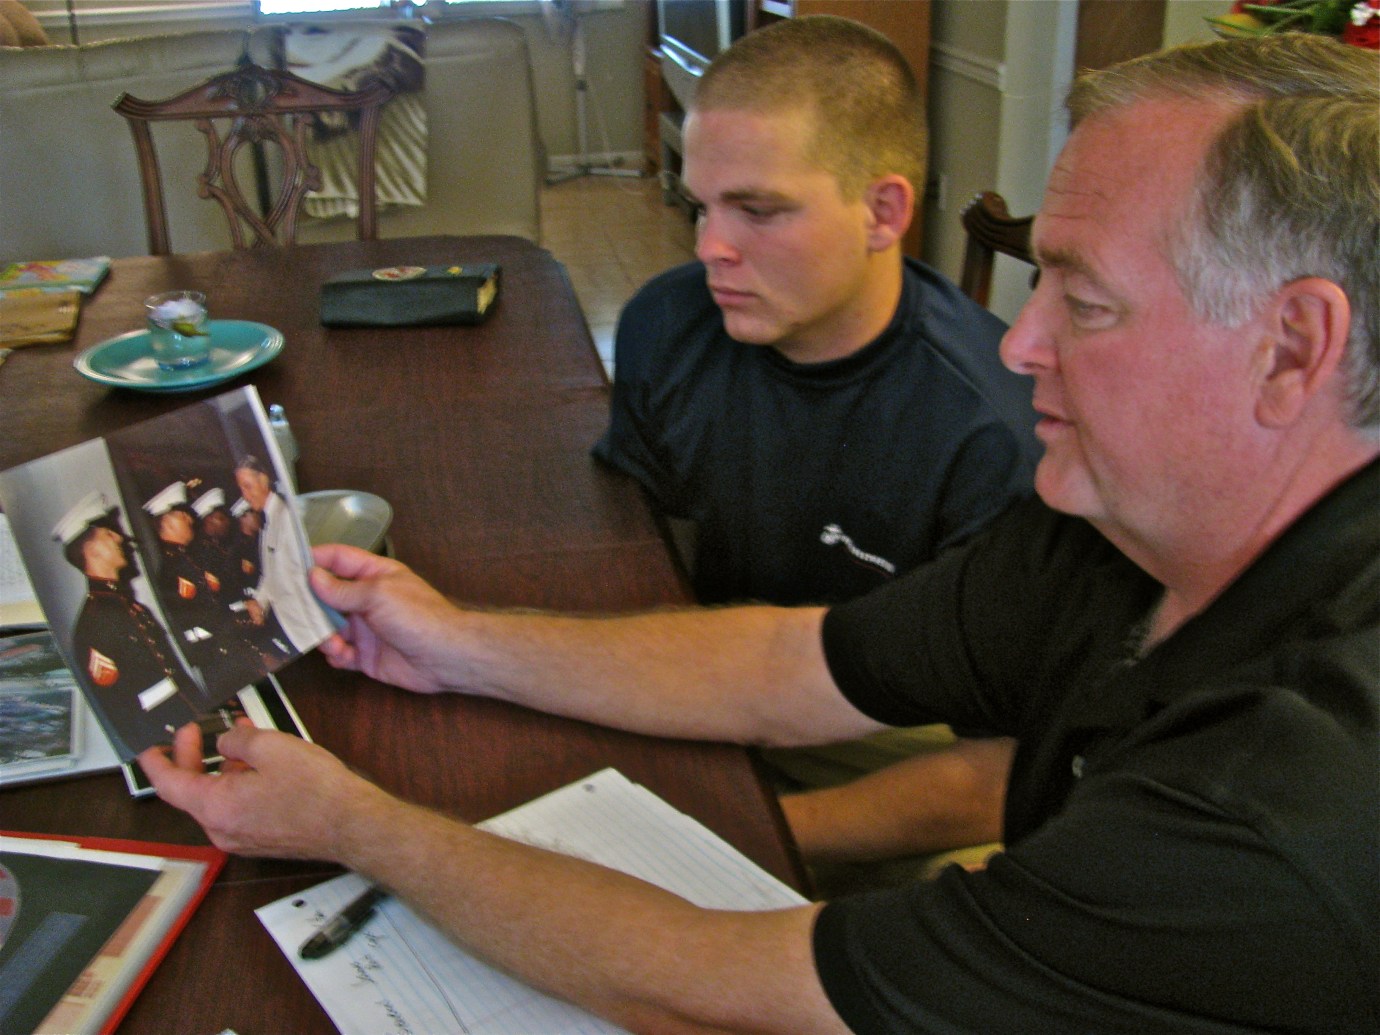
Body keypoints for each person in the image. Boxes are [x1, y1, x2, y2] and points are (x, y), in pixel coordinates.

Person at [142, 30, 1378, 1034]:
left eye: (1086, 300)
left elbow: (713, 985)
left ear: (1291, 349)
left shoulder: (1276, 808)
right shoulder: (1112, 529)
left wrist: (350, 820)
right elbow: (801, 666)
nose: (1021, 341)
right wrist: (453, 640)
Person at [594, 14, 1033, 879]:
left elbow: (998, 774)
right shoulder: (667, 322)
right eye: (702, 204)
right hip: (716, 675)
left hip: (890, 743)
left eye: (758, 210)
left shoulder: (989, 435)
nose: (709, 247)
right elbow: (635, 543)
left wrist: (738, 832)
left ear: (884, 211)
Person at [54, 492, 201, 752]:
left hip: (187, 714)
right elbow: (120, 707)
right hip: (166, 736)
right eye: (109, 535)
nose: (120, 538)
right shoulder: (94, 623)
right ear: (93, 551)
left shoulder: (129, 606)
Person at [233, 453, 335, 656]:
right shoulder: (268, 524)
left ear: (263, 480)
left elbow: (310, 575)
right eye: (241, 489)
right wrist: (259, 601)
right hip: (295, 631)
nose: (245, 495)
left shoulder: (288, 517)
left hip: (313, 631)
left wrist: (326, 634)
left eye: (248, 486)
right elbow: (271, 574)